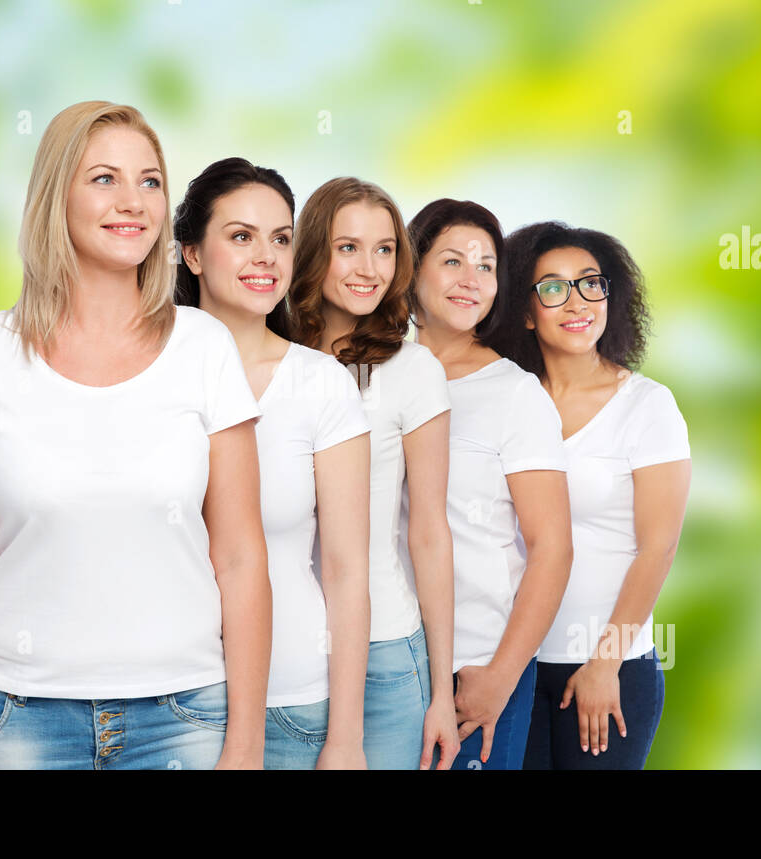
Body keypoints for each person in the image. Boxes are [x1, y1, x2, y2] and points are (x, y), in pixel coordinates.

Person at [0, 101, 271, 770]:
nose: (132, 201)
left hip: (184, 718)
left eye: (151, 180)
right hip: (16, 717)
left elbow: (242, 558)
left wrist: (246, 744)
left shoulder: (206, 348)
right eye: (104, 178)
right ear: (58, 196)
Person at [175, 157, 371, 769]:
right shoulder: (146, 372)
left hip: (291, 704)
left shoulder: (321, 385)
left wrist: (345, 738)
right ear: (192, 255)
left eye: (280, 239)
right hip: (161, 703)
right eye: (241, 237)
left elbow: (345, 570)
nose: (266, 256)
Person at [272, 177, 460, 768]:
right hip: (276, 649)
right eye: (348, 246)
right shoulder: (267, 358)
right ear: (312, 252)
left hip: (382, 654)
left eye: (385, 249)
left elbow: (428, 532)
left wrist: (442, 694)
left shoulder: (414, 370)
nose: (369, 267)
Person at [492, 221, 691, 769]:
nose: (576, 301)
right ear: (525, 312)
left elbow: (659, 547)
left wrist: (606, 663)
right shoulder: (509, 402)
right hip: (514, 667)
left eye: (590, 283)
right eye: (553, 288)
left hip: (607, 668)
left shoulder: (647, 406)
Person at [406, 199, 573, 770]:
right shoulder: (371, 372)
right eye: (452, 261)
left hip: (475, 667)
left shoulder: (515, 394)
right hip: (384, 661)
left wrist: (501, 677)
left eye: (486, 266)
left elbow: (552, 548)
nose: (470, 280)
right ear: (412, 266)